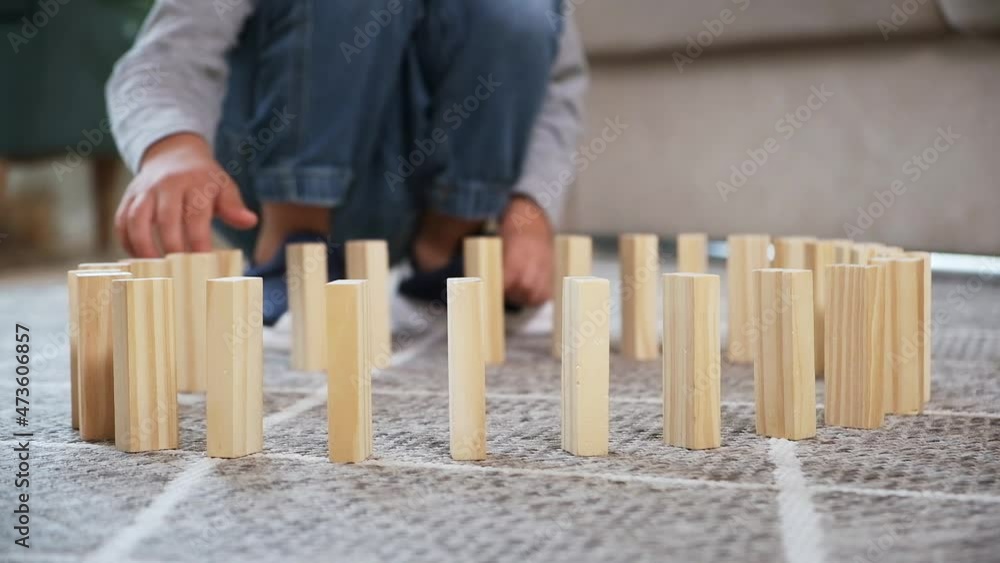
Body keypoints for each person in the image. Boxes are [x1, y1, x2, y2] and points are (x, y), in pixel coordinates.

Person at [107, 0, 587, 325]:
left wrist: (529, 209)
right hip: (264, 176)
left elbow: (553, 80)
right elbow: (166, 56)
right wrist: (172, 146)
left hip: (417, 193)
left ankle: (444, 260)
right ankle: (293, 254)